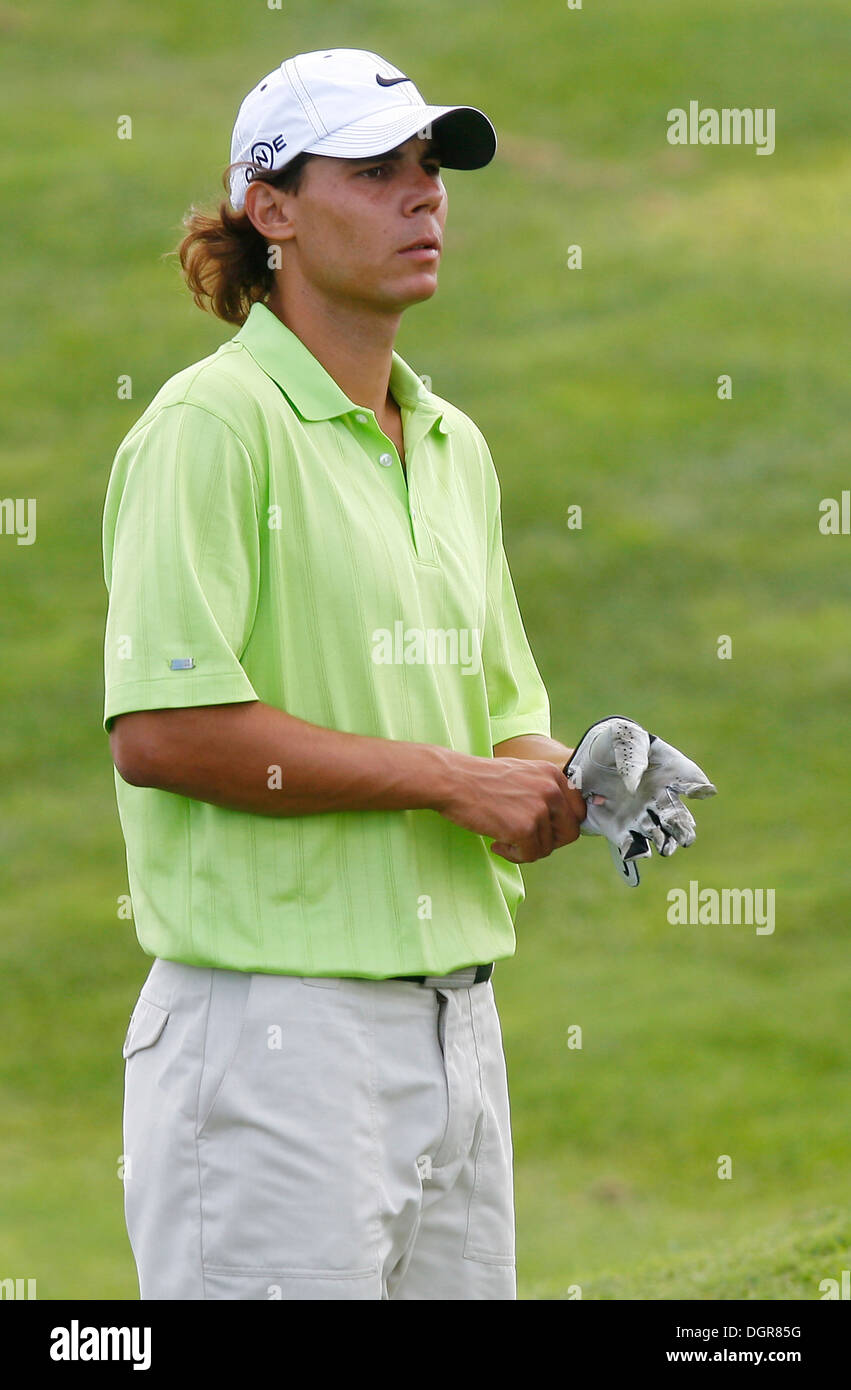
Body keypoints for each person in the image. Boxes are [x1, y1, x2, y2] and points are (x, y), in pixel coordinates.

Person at [102, 47, 587, 1302]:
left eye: (428, 170)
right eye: (375, 172)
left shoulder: (448, 441)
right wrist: (448, 783)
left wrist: (574, 781)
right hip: (273, 1043)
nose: (423, 197)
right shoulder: (209, 428)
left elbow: (498, 727)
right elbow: (163, 730)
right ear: (271, 209)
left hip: (455, 1034)